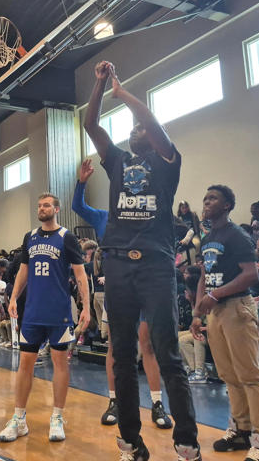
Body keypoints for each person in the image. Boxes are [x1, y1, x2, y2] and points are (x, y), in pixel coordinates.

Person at [84, 60, 199, 461]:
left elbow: (151, 122)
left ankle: (186, 441)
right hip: (116, 262)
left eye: (141, 129)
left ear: (152, 137)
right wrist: (99, 87)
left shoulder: (168, 164)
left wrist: (125, 95)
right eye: (132, 129)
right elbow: (91, 125)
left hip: (155, 263)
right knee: (121, 352)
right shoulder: (117, 160)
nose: (136, 131)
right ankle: (132, 442)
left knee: (167, 352)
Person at [73, 151, 175, 430]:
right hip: (118, 287)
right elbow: (77, 207)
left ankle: (157, 403)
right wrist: (81, 182)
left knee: (148, 344)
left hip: (144, 284)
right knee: (116, 347)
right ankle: (114, 400)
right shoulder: (104, 217)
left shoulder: (145, 213)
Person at [0, 193, 90, 443]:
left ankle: (57, 417)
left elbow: (81, 276)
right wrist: (14, 297)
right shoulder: (30, 237)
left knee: (60, 364)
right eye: (39, 205)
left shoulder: (67, 237)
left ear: (56, 209)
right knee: (24, 364)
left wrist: (86, 307)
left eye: (47, 205)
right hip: (33, 312)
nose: (42, 208)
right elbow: (23, 271)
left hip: (58, 312)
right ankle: (19, 420)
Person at [192, 185, 259, 461]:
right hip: (215, 311)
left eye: (213, 198)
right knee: (228, 376)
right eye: (205, 198)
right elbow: (204, 275)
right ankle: (240, 429)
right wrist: (196, 313)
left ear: (227, 205)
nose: (207, 202)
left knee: (250, 376)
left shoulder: (237, 236)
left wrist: (215, 295)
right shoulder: (207, 238)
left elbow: (251, 276)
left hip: (237, 307)